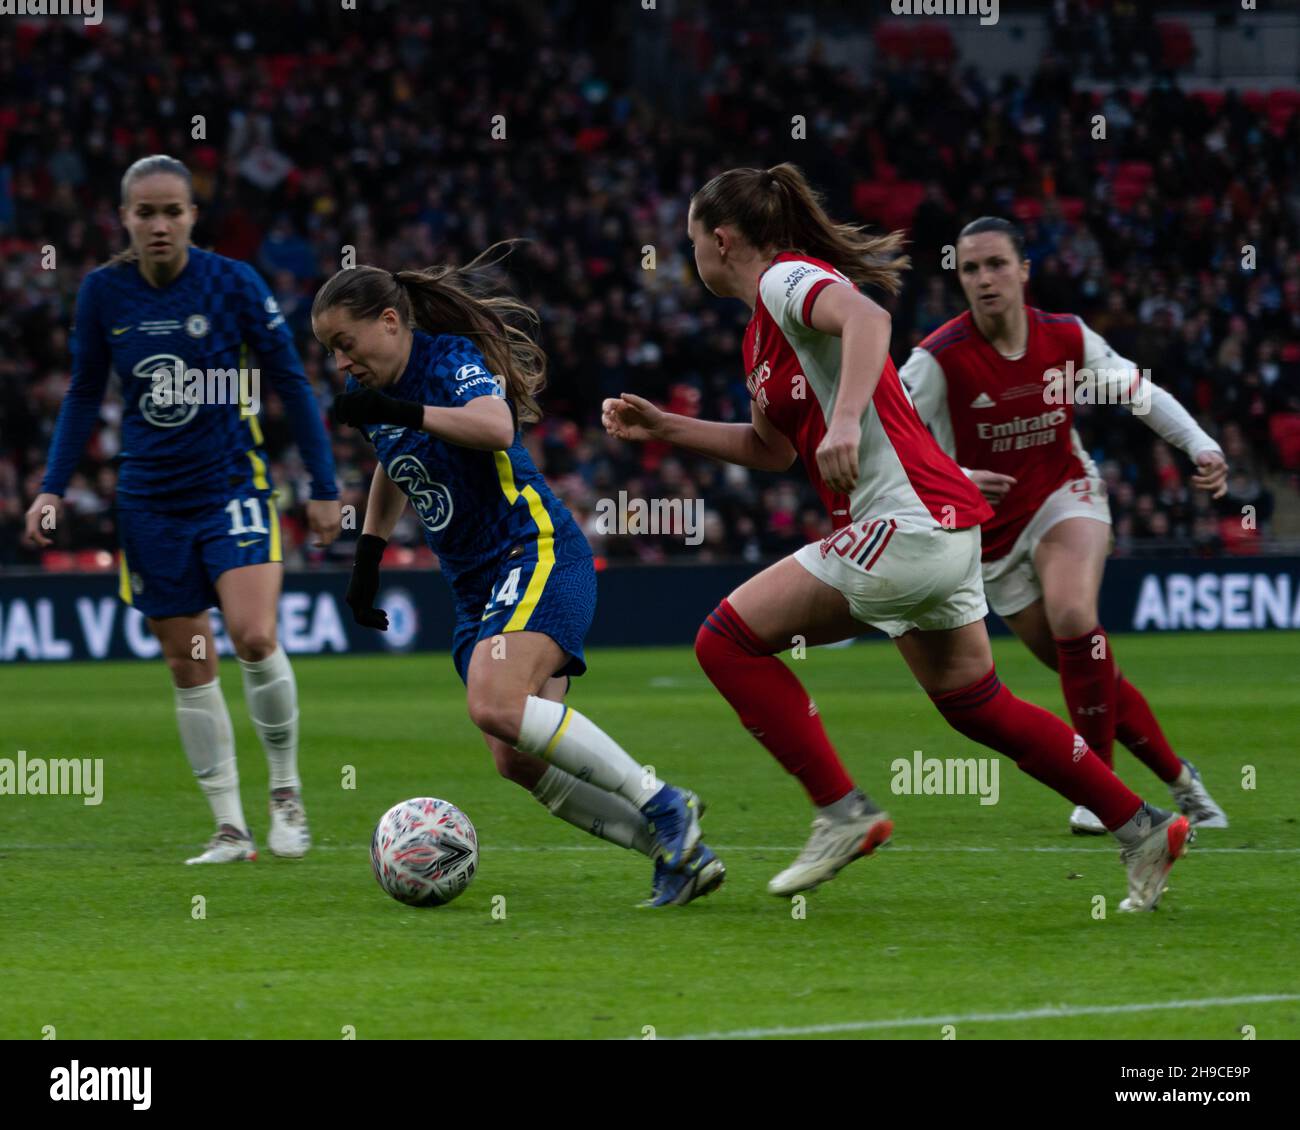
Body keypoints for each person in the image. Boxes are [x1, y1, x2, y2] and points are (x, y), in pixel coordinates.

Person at [603, 164, 1189, 911]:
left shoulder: (787, 279)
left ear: (721, 240)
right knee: (977, 704)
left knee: (724, 641)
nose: (691, 256)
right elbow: (772, 450)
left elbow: (870, 320)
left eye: (690, 241)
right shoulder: (759, 336)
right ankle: (1141, 826)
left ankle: (842, 809)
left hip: (902, 526)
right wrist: (666, 428)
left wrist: (846, 419)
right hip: (935, 530)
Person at [313, 250, 722, 907]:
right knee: (516, 757)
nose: (339, 362)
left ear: (390, 321)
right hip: (478, 589)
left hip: (533, 553)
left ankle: (666, 802)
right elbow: (395, 465)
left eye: (344, 342)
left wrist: (401, 409)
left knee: (494, 704)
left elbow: (495, 426)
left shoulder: (445, 361)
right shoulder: (383, 399)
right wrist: (368, 558)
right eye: (330, 350)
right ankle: (679, 855)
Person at [24, 155, 341, 864]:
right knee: (190, 660)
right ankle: (230, 827)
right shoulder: (104, 293)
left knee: (254, 636)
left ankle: (285, 793)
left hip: (232, 485)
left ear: (194, 216)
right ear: (125, 219)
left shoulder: (232, 282)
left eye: (173, 211)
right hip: (151, 503)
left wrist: (323, 485)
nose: (160, 224)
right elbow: (81, 394)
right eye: (146, 213)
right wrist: (51, 485)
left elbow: (291, 381)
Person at [899, 216, 1228, 834]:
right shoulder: (937, 360)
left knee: (1075, 617)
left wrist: (1201, 445)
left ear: (1024, 270)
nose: (984, 278)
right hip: (990, 538)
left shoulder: (1066, 338)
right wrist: (958, 476)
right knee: (1087, 667)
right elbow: (888, 444)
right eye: (970, 268)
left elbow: (1137, 392)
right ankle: (1183, 781)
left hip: (1064, 493)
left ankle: (1099, 792)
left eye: (997, 264)